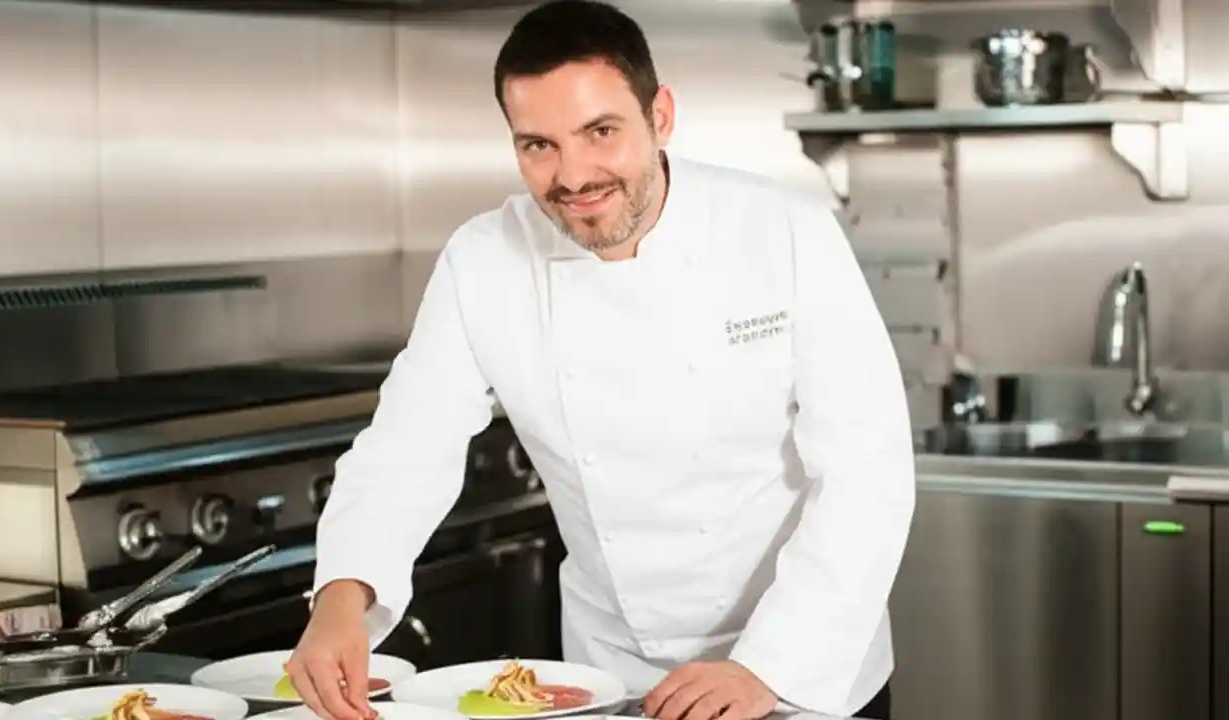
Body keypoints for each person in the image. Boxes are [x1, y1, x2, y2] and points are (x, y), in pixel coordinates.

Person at [285, 2, 915, 719]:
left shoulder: (784, 232)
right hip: (612, 676)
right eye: (538, 145)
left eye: (601, 132)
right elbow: (407, 444)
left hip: (802, 668)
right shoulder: (483, 258)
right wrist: (342, 597)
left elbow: (867, 471)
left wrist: (767, 668)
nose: (573, 174)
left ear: (662, 116)